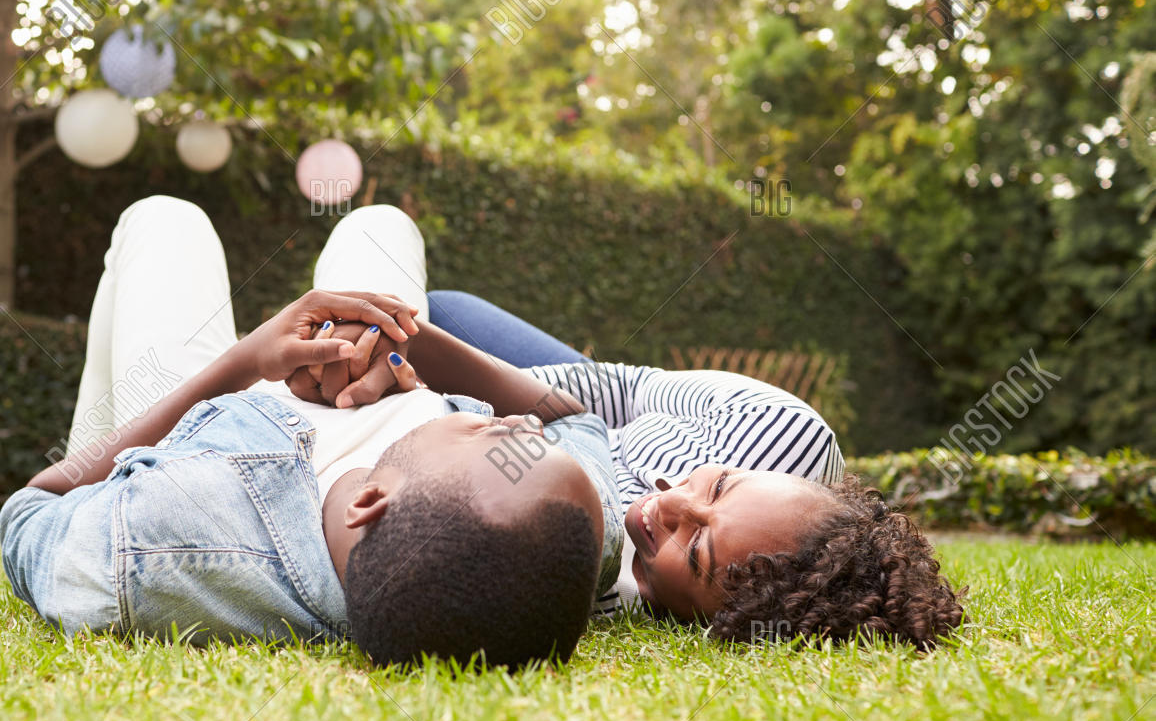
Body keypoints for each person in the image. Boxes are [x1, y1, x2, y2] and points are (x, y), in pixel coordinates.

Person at [0, 197, 625, 668]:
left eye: (491, 438)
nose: (516, 424)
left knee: (164, 219)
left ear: (368, 504)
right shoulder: (570, 535)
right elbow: (570, 418)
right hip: (391, 366)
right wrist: (405, 337)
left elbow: (31, 510)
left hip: (187, 409)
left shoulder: (159, 541)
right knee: (378, 223)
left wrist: (244, 362)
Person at [287, 275, 965, 649]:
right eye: (717, 486)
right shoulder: (779, 429)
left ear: (718, 619)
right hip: (568, 401)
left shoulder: (595, 581)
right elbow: (617, 390)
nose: (667, 505)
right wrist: (408, 353)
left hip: (473, 443)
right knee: (441, 307)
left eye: (694, 547)